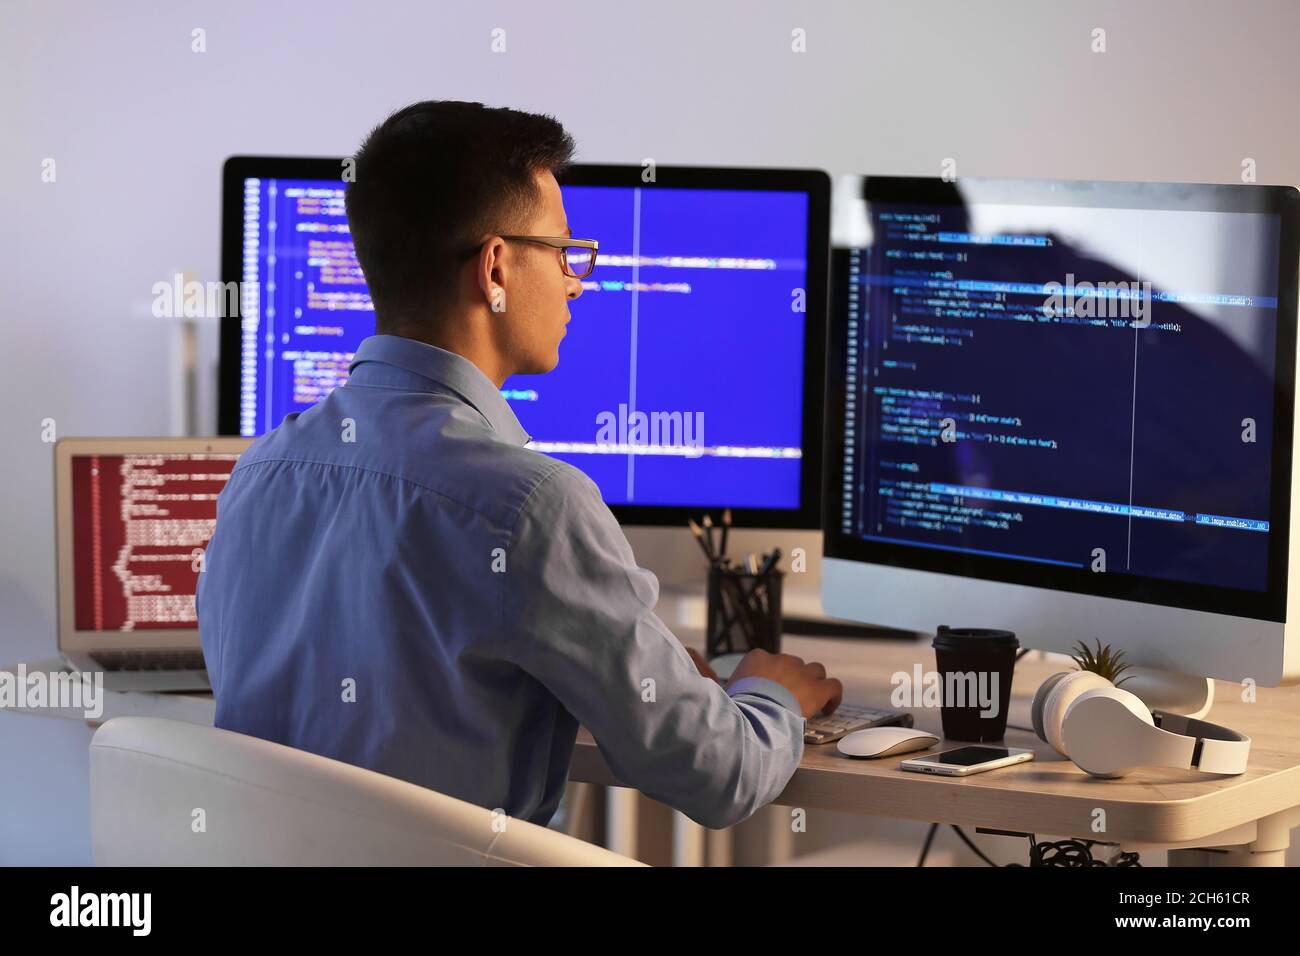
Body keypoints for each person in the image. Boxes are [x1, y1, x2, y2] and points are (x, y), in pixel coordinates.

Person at [197, 100, 842, 830]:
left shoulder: (259, 471)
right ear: (496, 266)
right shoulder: (531, 505)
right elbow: (717, 773)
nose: (576, 281)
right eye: (564, 250)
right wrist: (769, 694)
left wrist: (633, 668)